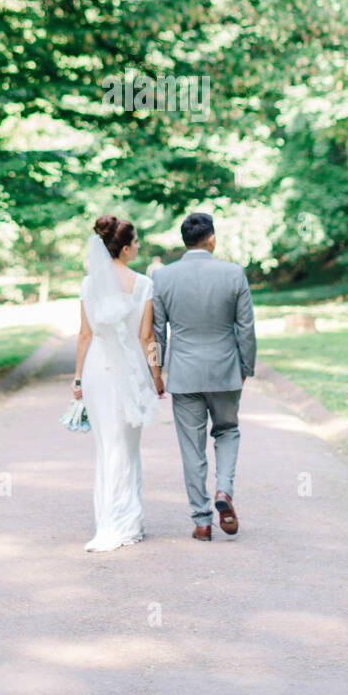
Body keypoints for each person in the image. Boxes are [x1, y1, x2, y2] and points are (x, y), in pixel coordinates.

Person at [152, 212, 256, 541]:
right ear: (211, 239)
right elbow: (246, 328)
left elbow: (157, 334)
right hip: (225, 372)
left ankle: (201, 521)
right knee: (227, 432)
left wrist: (156, 372)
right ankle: (223, 490)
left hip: (184, 376)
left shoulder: (162, 278)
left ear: (184, 241)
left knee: (191, 449)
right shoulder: (234, 273)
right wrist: (246, 367)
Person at [72, 216, 165, 551]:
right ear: (124, 249)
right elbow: (147, 336)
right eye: (136, 241)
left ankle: (110, 522)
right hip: (131, 370)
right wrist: (156, 376)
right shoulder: (143, 284)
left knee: (106, 446)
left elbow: (85, 335)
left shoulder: (89, 284)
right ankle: (126, 521)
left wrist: (78, 378)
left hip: (98, 368)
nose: (139, 246)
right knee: (127, 446)